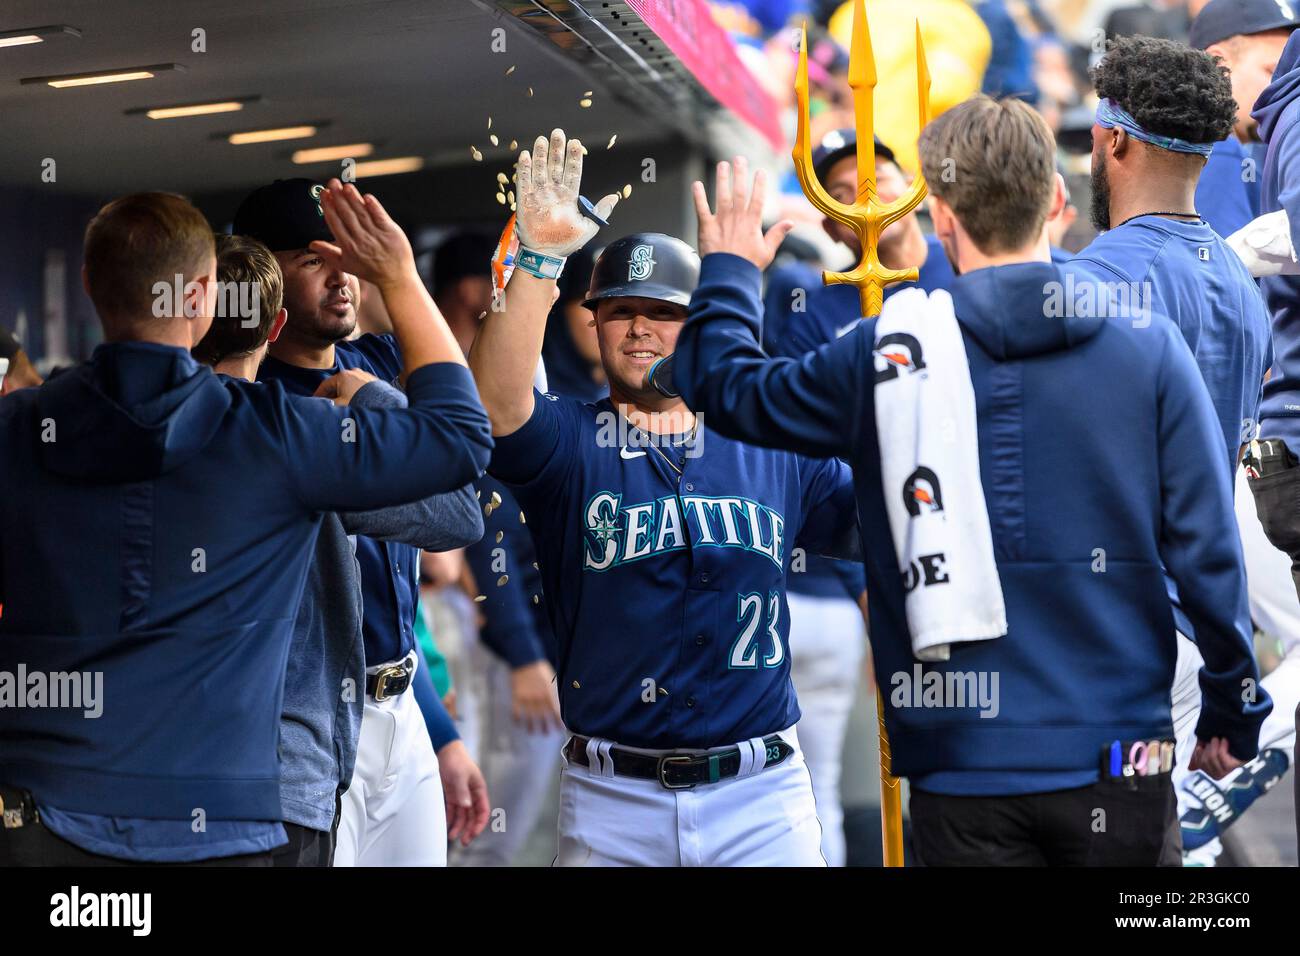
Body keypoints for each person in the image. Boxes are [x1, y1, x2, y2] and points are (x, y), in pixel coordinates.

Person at [673, 97, 1271, 866]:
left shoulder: (882, 350)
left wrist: (726, 269)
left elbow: (722, 387)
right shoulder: (1147, 343)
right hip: (1124, 755)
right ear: (1057, 201)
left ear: (944, 218)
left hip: (962, 768)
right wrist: (1233, 704)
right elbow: (1207, 550)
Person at [0, 187, 493, 865]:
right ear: (201, 300)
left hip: (46, 820)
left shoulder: (18, 431)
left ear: (89, 286)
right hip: (222, 828)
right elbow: (461, 442)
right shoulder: (278, 432)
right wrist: (401, 278)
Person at [470, 129, 861, 867]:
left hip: (763, 795)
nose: (641, 326)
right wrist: (539, 260)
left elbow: (873, 527)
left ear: (699, 324)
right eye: (620, 310)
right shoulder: (568, 441)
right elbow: (496, 408)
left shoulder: (773, 437)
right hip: (614, 797)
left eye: (665, 310)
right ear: (592, 324)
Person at [193, 232, 484, 866]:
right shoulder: (294, 429)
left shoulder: (126, 428)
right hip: (296, 750)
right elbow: (460, 508)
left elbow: (391, 611)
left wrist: (439, 732)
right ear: (274, 324)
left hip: (195, 753)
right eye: (310, 261)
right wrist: (376, 399)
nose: (339, 277)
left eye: (347, 264)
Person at [1189, 0, 1299, 238]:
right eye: (1275, 72)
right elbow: (1227, 273)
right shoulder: (1217, 151)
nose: (1288, 87)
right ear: (1219, 66)